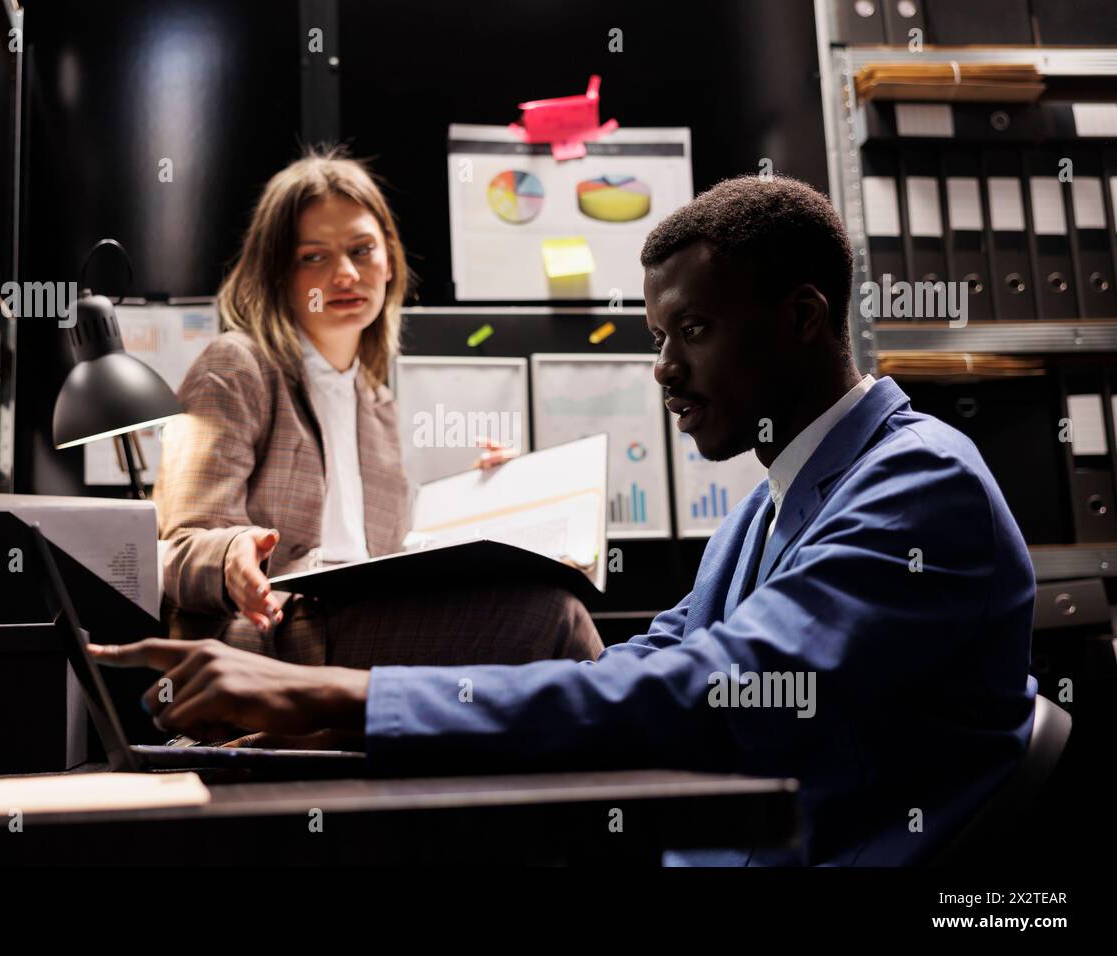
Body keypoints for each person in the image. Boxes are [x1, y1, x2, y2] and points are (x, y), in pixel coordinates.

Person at [96, 175, 1038, 866]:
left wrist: (348, 697)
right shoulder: (767, 510)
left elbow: (720, 688)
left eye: (692, 332)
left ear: (801, 319)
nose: (662, 369)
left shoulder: (920, 485)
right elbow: (649, 664)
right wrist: (360, 700)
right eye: (656, 340)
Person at [153, 147, 602, 667]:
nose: (345, 274)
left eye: (362, 250)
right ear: (278, 272)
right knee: (549, 618)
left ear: (389, 258)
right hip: (266, 638)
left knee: (537, 622)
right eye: (313, 257)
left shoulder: (376, 401)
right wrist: (230, 554)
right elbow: (175, 548)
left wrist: (481, 506)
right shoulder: (235, 366)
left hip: (356, 623)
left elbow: (387, 562)